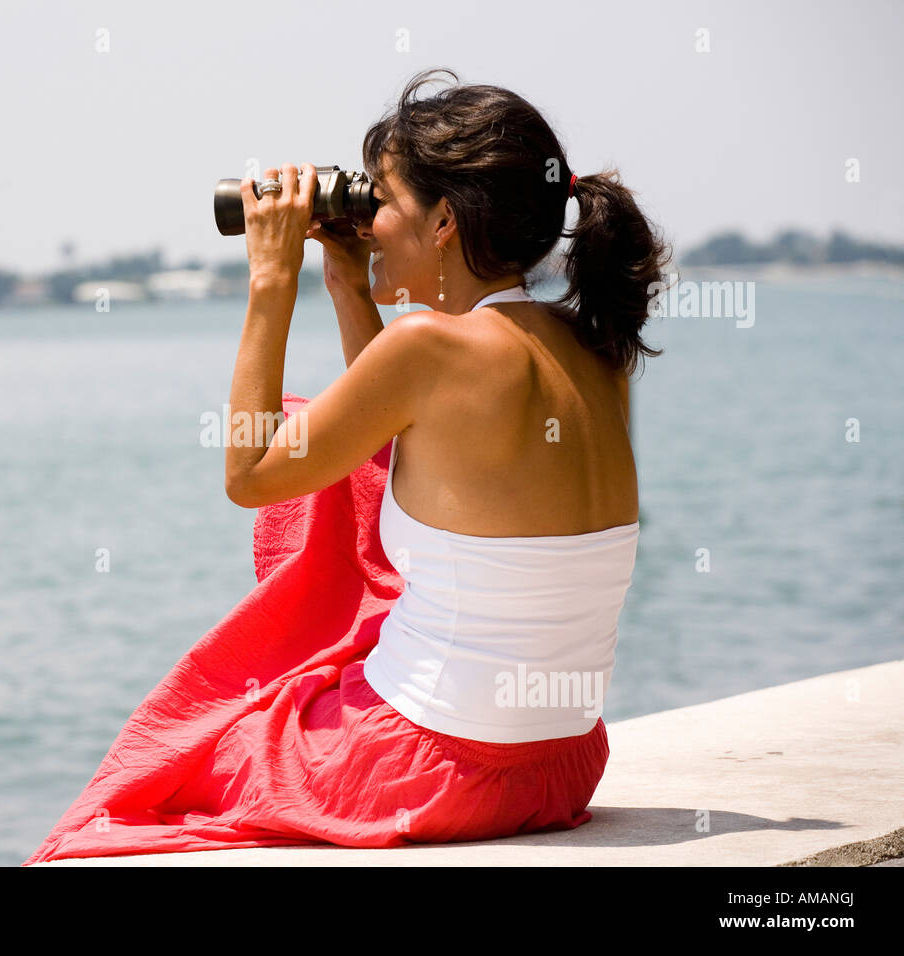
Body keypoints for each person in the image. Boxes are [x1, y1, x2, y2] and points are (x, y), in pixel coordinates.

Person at [219, 67, 671, 842]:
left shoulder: (428, 347)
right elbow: (406, 440)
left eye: (381, 200)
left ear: (445, 224)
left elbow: (251, 473)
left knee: (216, 740)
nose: (369, 222)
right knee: (335, 443)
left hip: (431, 771)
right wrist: (347, 286)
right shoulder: (597, 349)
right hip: (560, 769)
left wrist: (270, 281)